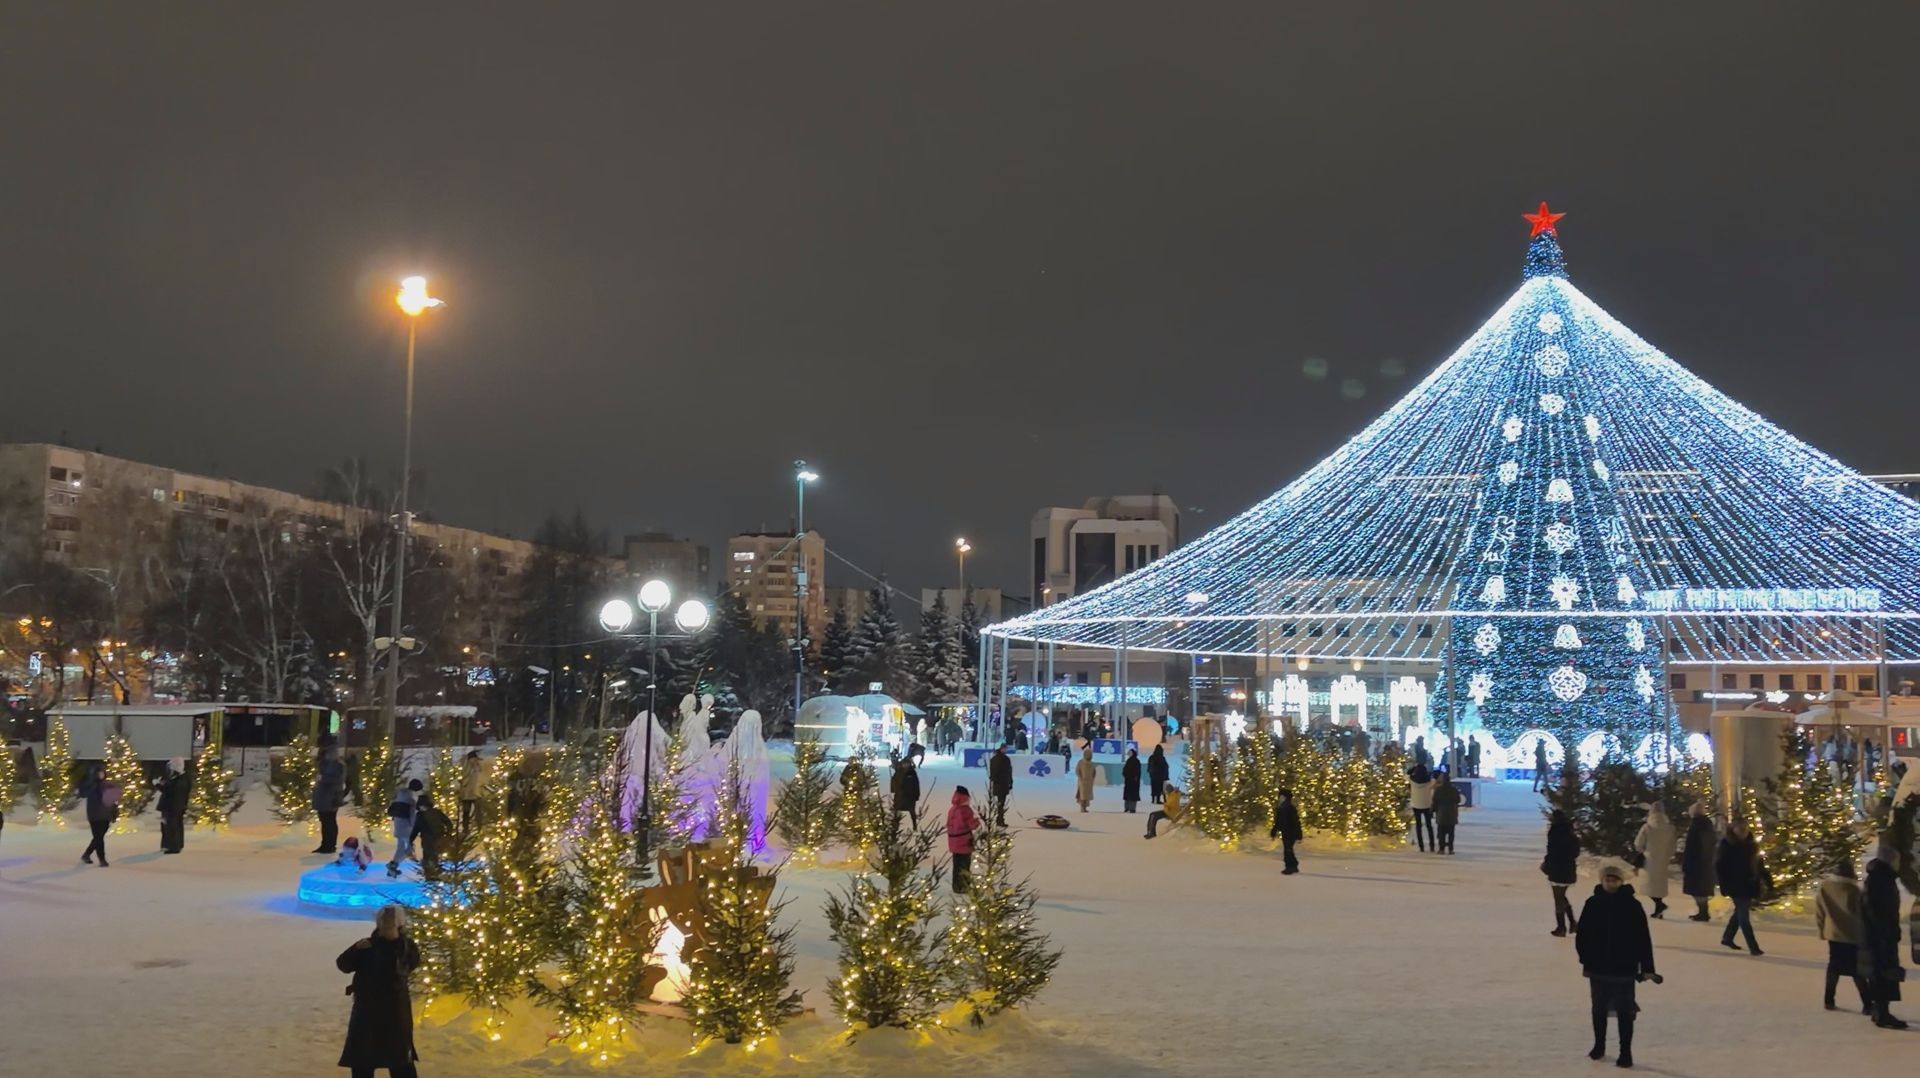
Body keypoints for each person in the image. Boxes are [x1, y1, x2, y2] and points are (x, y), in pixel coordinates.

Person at [1575, 862, 1656, 1068]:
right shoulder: (1593, 903)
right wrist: (1585, 957)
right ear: (1602, 881)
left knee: (1625, 1010)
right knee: (1598, 1008)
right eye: (1607, 880)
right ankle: (1599, 1045)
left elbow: (1643, 938)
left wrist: (1647, 967)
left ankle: (1625, 1052)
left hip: (1624, 967)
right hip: (1598, 966)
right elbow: (1582, 933)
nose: (1610, 883)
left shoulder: (1632, 906)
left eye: (1614, 880)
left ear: (1621, 882)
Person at [337, 903, 421, 1078]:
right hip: (367, 1013)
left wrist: (395, 941)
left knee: (400, 1063)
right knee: (363, 1062)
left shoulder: (405, 947)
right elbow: (343, 964)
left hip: (394, 1014)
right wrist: (356, 949)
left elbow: (406, 964)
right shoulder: (368, 945)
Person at [1814, 860, 1873, 1014]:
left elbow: (1819, 910)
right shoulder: (1854, 890)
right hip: (1853, 934)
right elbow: (1862, 914)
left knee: (1834, 967)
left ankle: (1829, 999)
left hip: (1833, 933)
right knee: (1857, 970)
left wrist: (1821, 929)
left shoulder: (1825, 886)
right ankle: (1867, 1003)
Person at [1860, 854, 1909, 1028]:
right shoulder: (1882, 881)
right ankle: (1882, 1012)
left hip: (1879, 934)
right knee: (1884, 972)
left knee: (1880, 972)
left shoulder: (1877, 879)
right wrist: (1887, 931)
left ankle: (1879, 1011)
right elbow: (1878, 910)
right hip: (1882, 935)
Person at [1715, 819, 1765, 956]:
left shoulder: (1752, 845)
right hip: (1735, 885)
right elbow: (1720, 866)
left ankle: (1727, 937)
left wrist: (1767, 880)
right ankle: (1753, 946)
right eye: (1740, 829)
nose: (1743, 832)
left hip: (1749, 884)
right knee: (1743, 916)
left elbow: (1759, 864)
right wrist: (1723, 884)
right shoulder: (1727, 845)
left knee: (1739, 912)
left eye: (1745, 829)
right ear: (1733, 830)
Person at [1633, 803, 1676, 919]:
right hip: (1663, 860)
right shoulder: (1670, 828)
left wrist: (1643, 850)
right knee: (1659, 886)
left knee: (1649, 886)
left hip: (1649, 860)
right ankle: (1659, 907)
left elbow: (1638, 844)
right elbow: (1673, 846)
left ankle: (1659, 906)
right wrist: (1668, 855)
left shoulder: (1647, 827)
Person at [1545, 809, 1581, 937]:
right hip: (1569, 869)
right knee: (1561, 896)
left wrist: (1547, 864)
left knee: (1558, 898)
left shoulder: (1554, 833)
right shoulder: (1571, 834)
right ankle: (1572, 923)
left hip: (1556, 870)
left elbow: (1550, 852)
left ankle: (1562, 927)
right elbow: (1576, 853)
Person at [1680, 801, 1717, 921]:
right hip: (1705, 862)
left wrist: (1688, 861)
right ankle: (1703, 911)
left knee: (1698, 889)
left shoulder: (1697, 825)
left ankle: (1703, 912)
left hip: (1697, 862)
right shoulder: (1707, 824)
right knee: (1700, 889)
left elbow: (1693, 845)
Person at [80, 763, 120, 867]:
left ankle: (87, 854)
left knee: (99, 837)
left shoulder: (108, 785)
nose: (100, 775)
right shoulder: (90, 786)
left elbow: (113, 801)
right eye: (98, 773)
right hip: (94, 815)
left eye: (102, 773)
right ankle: (102, 859)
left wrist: (115, 813)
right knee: (98, 838)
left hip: (106, 815)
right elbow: (83, 793)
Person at [313, 741, 347, 855]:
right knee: (326, 821)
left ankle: (329, 845)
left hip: (330, 798)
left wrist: (322, 779)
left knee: (329, 821)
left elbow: (336, 780)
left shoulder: (336, 766)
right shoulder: (326, 764)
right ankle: (326, 844)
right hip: (326, 798)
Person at [154, 756, 192, 855]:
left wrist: (159, 785)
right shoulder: (182, 778)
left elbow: (170, 792)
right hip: (176, 807)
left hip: (172, 808)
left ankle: (173, 846)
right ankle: (171, 844)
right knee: (172, 826)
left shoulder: (179, 780)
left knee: (172, 827)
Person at [946, 786, 981, 894]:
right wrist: (977, 821)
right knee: (964, 865)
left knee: (957, 865)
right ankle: (964, 886)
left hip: (953, 842)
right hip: (964, 842)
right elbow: (972, 825)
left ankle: (956, 886)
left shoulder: (952, 809)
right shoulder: (966, 810)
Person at [410, 794, 453, 880]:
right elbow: (448, 823)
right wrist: (447, 834)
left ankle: (430, 875)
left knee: (428, 857)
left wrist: (410, 840)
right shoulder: (437, 812)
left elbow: (416, 829)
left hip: (428, 840)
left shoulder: (420, 815)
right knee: (434, 856)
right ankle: (435, 873)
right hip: (439, 838)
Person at [386, 779, 423, 877]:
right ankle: (393, 865)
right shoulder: (412, 799)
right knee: (409, 848)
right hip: (406, 825)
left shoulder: (400, 794)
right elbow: (412, 814)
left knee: (401, 847)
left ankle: (393, 867)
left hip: (398, 822)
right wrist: (414, 826)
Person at [1269, 787, 1303, 874]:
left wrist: (1299, 834)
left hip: (1291, 832)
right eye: (1280, 797)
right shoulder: (1280, 808)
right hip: (1285, 832)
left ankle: (1290, 867)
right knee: (1288, 849)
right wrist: (1274, 831)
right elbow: (1278, 821)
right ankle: (1293, 865)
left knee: (1288, 850)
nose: (1281, 799)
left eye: (1282, 797)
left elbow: (1296, 822)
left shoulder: (1290, 808)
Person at [1408, 762, 1436, 852]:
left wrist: (1414, 767)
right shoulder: (1430, 782)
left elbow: (1407, 774)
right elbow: (1434, 778)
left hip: (1416, 805)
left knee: (1418, 826)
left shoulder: (1411, 780)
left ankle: (1421, 847)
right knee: (1429, 826)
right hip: (1427, 805)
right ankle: (1432, 845)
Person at [1432, 771, 1461, 855]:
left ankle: (1441, 849)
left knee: (1441, 833)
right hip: (1452, 814)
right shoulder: (1454, 790)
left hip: (1441, 814)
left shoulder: (1438, 790)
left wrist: (1432, 811)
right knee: (1451, 833)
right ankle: (1451, 849)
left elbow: (1435, 801)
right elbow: (1458, 800)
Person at [457, 750, 485, 833]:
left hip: (476, 794)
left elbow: (482, 778)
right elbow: (462, 779)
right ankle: (466, 829)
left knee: (478, 813)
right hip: (467, 794)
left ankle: (479, 828)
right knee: (466, 812)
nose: (475, 761)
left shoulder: (479, 767)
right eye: (474, 759)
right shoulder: (465, 768)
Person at [988, 744, 1013, 828]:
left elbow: (1009, 772)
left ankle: (1000, 819)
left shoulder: (1000, 759)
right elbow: (995, 772)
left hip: (1002, 783)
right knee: (1001, 803)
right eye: (1005, 749)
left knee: (1001, 803)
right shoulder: (1000, 759)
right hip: (1001, 784)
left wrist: (1010, 782)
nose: (1006, 750)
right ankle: (1000, 820)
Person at [891, 757, 921, 822]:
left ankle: (914, 825)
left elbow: (916, 784)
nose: (906, 765)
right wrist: (894, 789)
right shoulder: (898, 772)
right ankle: (895, 824)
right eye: (904, 764)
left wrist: (917, 795)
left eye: (907, 764)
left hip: (910, 796)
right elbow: (894, 781)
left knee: (912, 811)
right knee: (896, 810)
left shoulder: (912, 772)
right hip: (900, 795)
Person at [1074, 746, 1097, 813]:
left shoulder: (1082, 762)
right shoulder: (1087, 763)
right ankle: (1083, 807)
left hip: (1084, 781)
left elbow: (1077, 771)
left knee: (1084, 795)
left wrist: (1080, 777)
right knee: (1084, 795)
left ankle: (1084, 807)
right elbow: (1094, 772)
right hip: (1085, 781)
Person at [1120, 749, 1142, 814]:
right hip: (1133, 781)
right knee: (1132, 795)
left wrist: (1127, 776)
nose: (1129, 754)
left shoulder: (1131, 761)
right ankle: (1131, 808)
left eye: (1130, 753)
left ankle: (1128, 808)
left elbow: (1126, 770)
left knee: (1129, 795)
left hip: (1130, 781)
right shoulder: (1135, 761)